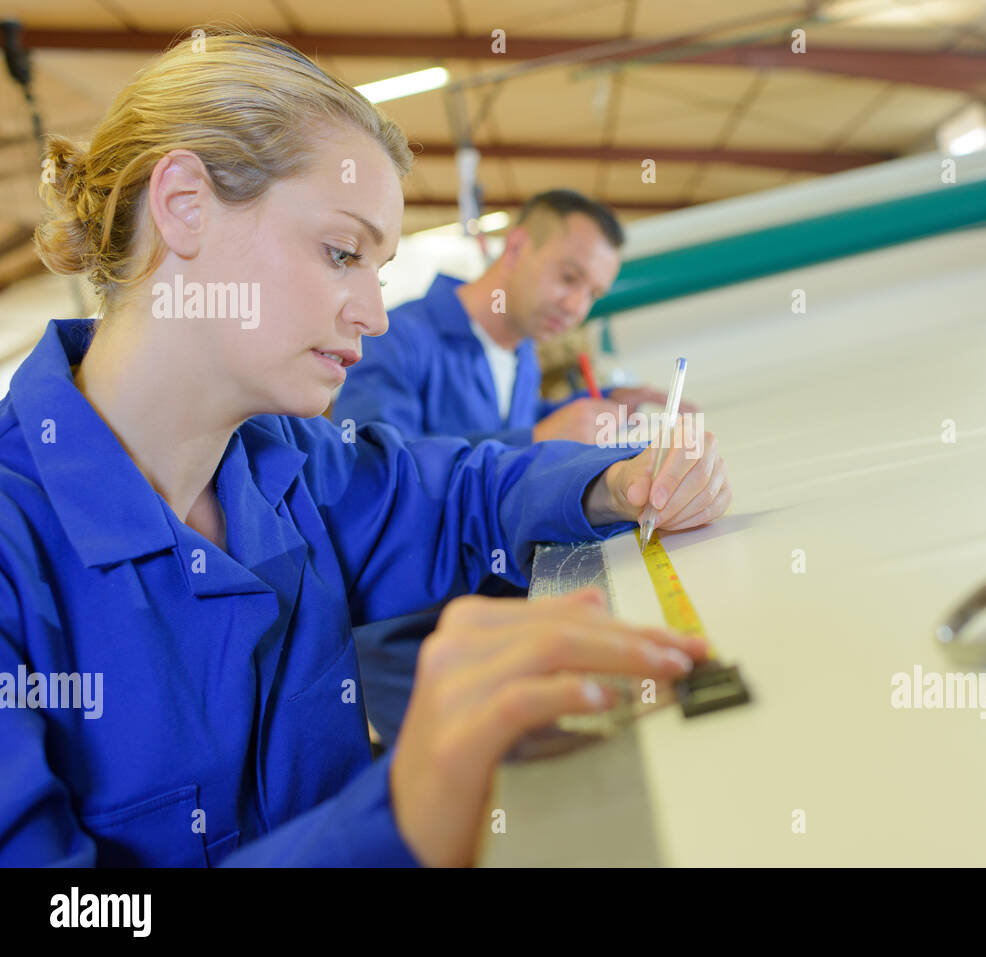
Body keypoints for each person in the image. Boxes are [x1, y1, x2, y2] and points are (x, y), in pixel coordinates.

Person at [0, 31, 731, 867]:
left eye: (377, 270)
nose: (375, 316)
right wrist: (402, 805)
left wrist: (619, 482)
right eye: (342, 252)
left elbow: (463, 491)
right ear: (184, 204)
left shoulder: (292, 466)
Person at [330, 189, 695, 445]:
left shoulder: (521, 354)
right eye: (569, 278)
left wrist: (608, 403)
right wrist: (536, 440)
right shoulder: (397, 338)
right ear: (518, 247)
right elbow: (373, 468)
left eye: (592, 294)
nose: (576, 308)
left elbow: (516, 420)